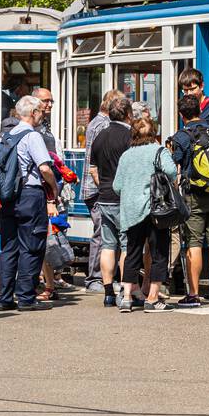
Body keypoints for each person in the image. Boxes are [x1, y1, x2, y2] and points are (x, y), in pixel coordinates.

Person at [168, 94, 209, 306]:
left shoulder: (181, 137)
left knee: (194, 243)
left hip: (193, 196)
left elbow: (172, 169)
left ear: (181, 115)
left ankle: (194, 294)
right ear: (200, 109)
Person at [0, 95, 59, 312]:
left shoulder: (7, 135)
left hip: (7, 196)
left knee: (9, 247)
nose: (42, 114)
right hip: (30, 195)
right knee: (32, 246)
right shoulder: (32, 136)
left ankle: (4, 298)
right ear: (33, 113)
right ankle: (26, 298)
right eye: (40, 111)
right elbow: (44, 168)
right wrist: (53, 188)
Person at [111, 116, 178, 312]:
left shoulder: (126, 155)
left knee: (132, 253)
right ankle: (153, 298)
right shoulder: (159, 151)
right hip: (154, 209)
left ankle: (126, 299)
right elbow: (171, 172)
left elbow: (117, 186)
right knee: (159, 252)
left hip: (131, 212)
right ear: (153, 132)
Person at [89, 96, 132, 307]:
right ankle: (125, 290)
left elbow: (93, 169)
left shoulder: (100, 136)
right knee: (125, 246)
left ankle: (108, 293)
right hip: (123, 198)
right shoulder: (129, 136)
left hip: (104, 197)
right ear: (128, 114)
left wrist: (102, 186)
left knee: (108, 245)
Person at [80, 89, 122, 293]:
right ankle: (96, 278)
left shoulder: (95, 123)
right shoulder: (104, 125)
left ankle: (101, 276)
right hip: (99, 187)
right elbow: (100, 162)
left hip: (95, 186)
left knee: (104, 233)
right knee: (103, 234)